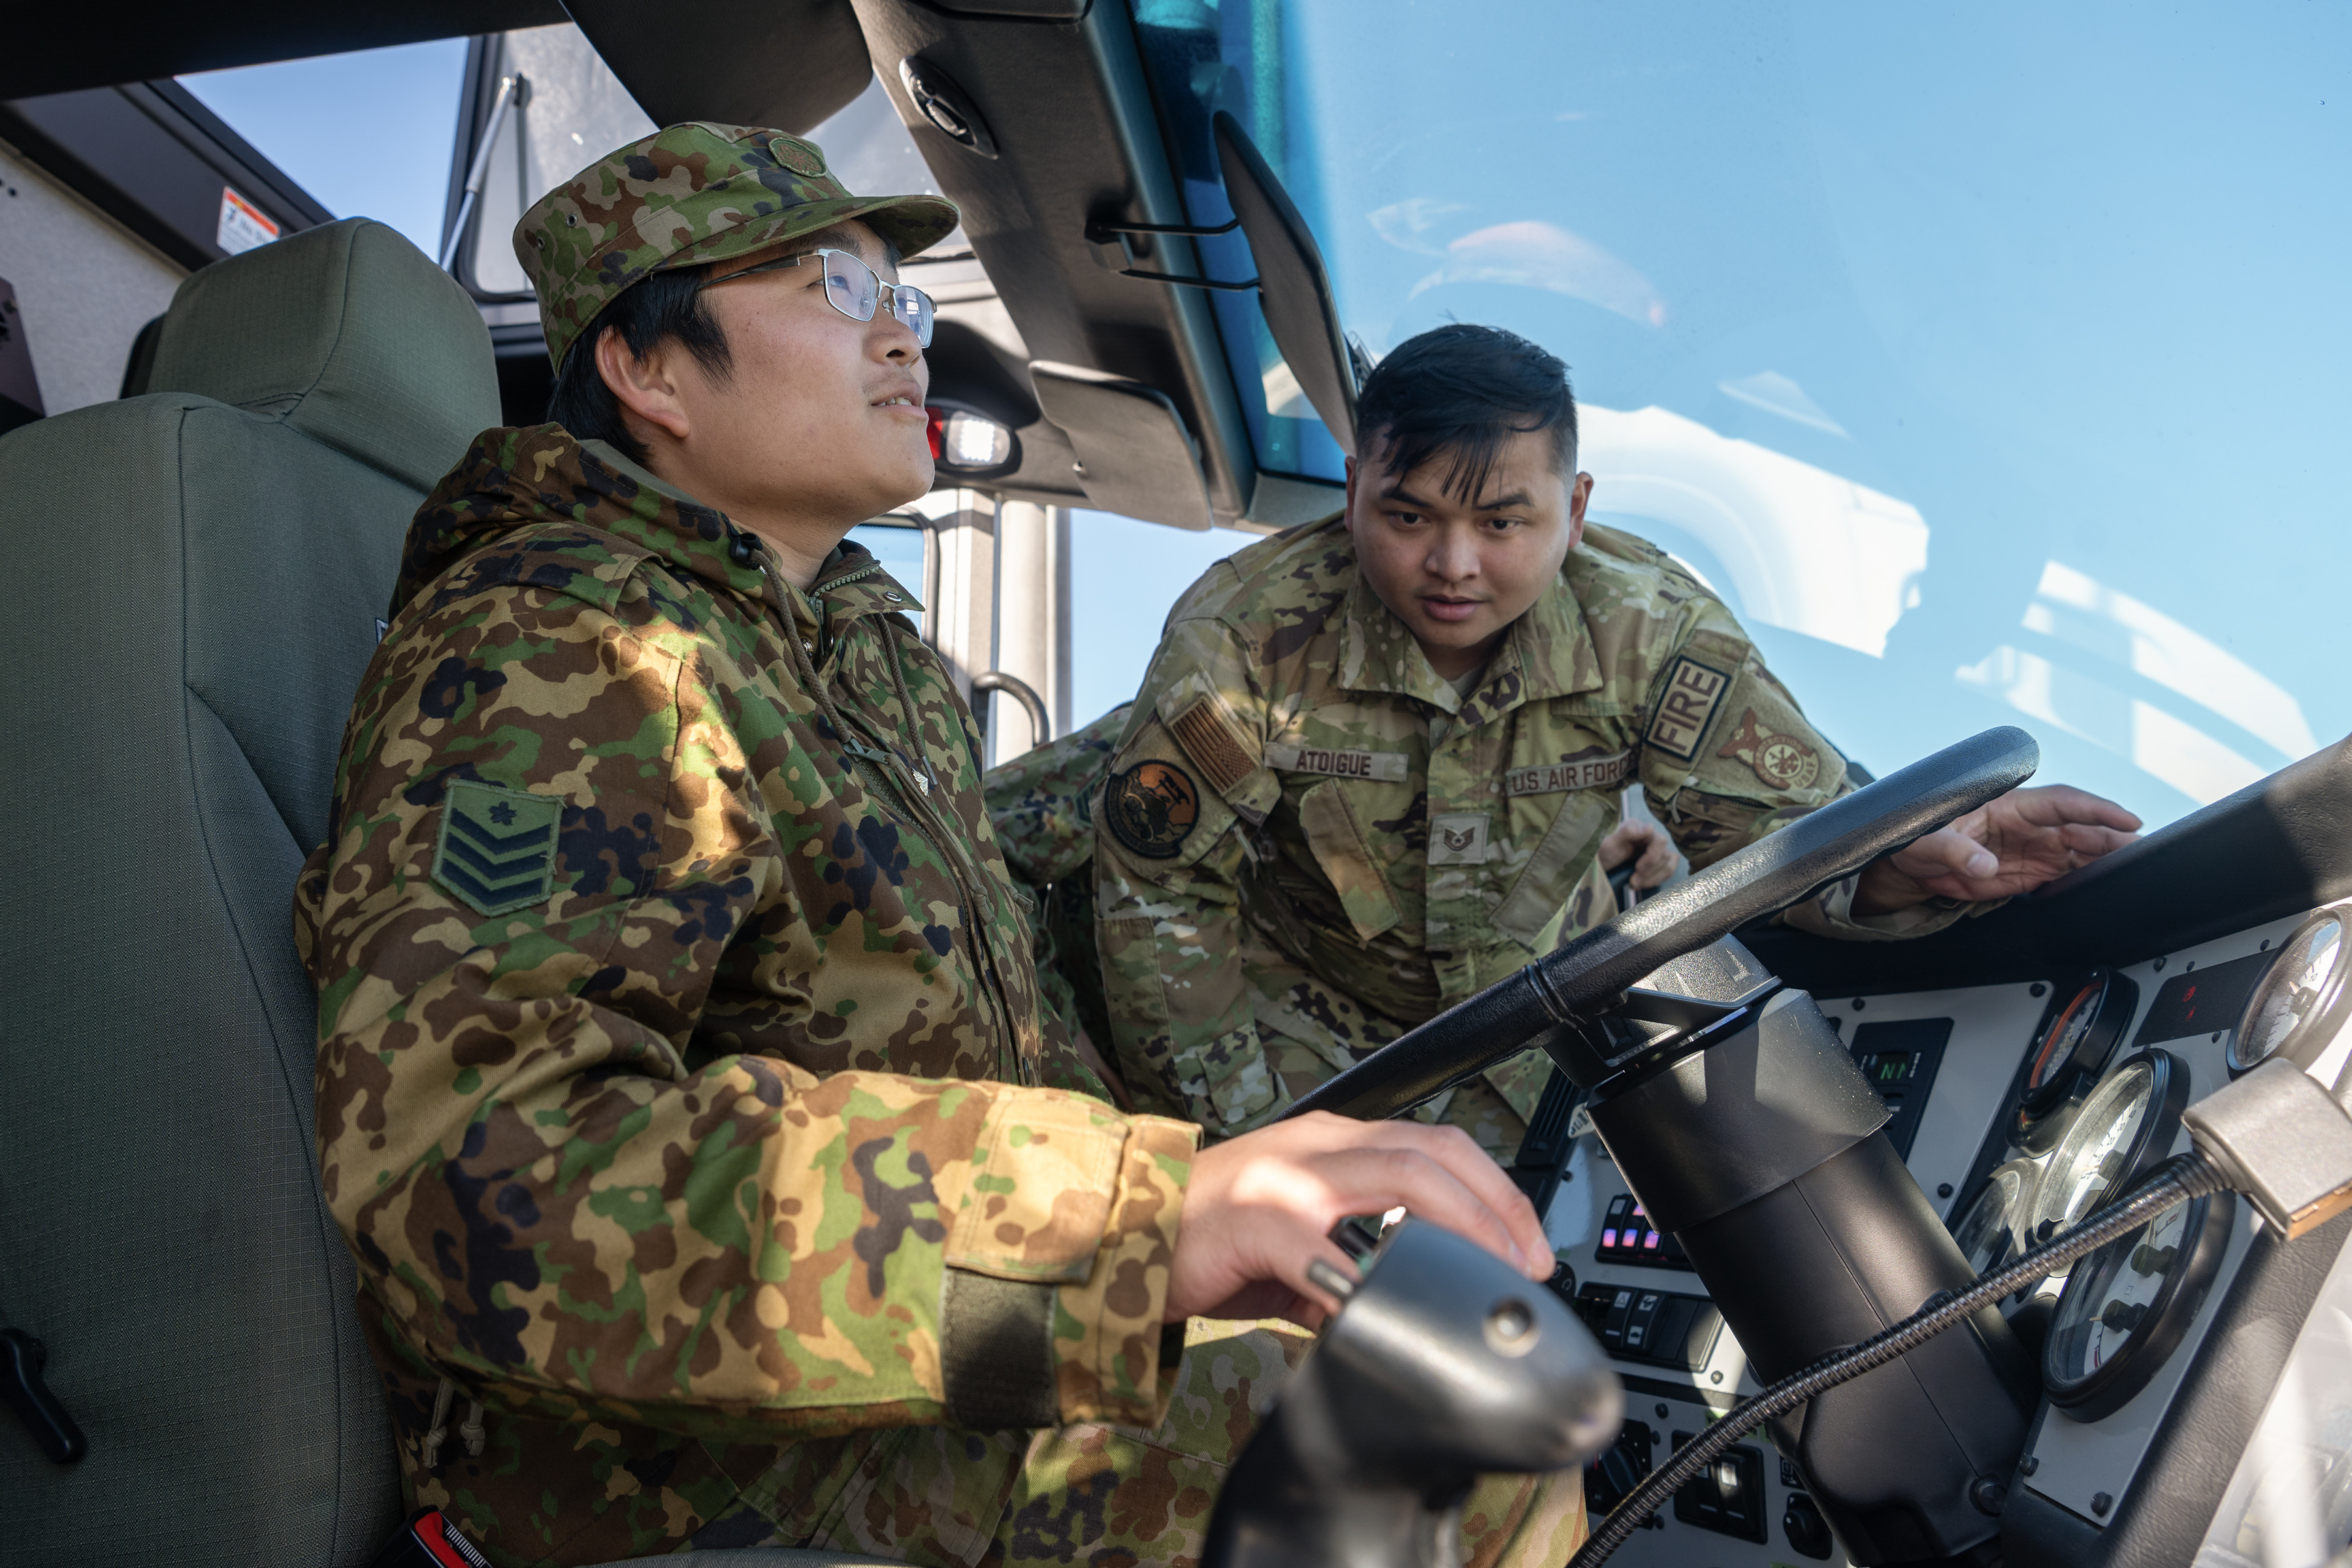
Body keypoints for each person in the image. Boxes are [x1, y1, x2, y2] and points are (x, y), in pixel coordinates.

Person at [295, 124, 1577, 1568]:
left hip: (901, 1335)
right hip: (686, 1460)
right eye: (838, 294)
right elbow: (480, 1186)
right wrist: (1133, 1222)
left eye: (906, 304)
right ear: (648, 372)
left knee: (1465, 1360)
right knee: (1476, 1458)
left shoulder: (845, 644)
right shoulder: (567, 650)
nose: (909, 343)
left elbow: (1017, 885)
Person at [1083, 324, 2140, 1149]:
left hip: (1538, 1067)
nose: (1453, 564)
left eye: (1503, 524)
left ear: (1575, 511)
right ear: (1354, 490)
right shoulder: (1243, 638)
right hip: (1295, 1050)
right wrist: (1256, 1149)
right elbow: (1163, 906)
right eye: (1408, 518)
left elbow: (1782, 830)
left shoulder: (1649, 628)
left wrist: (1907, 864)